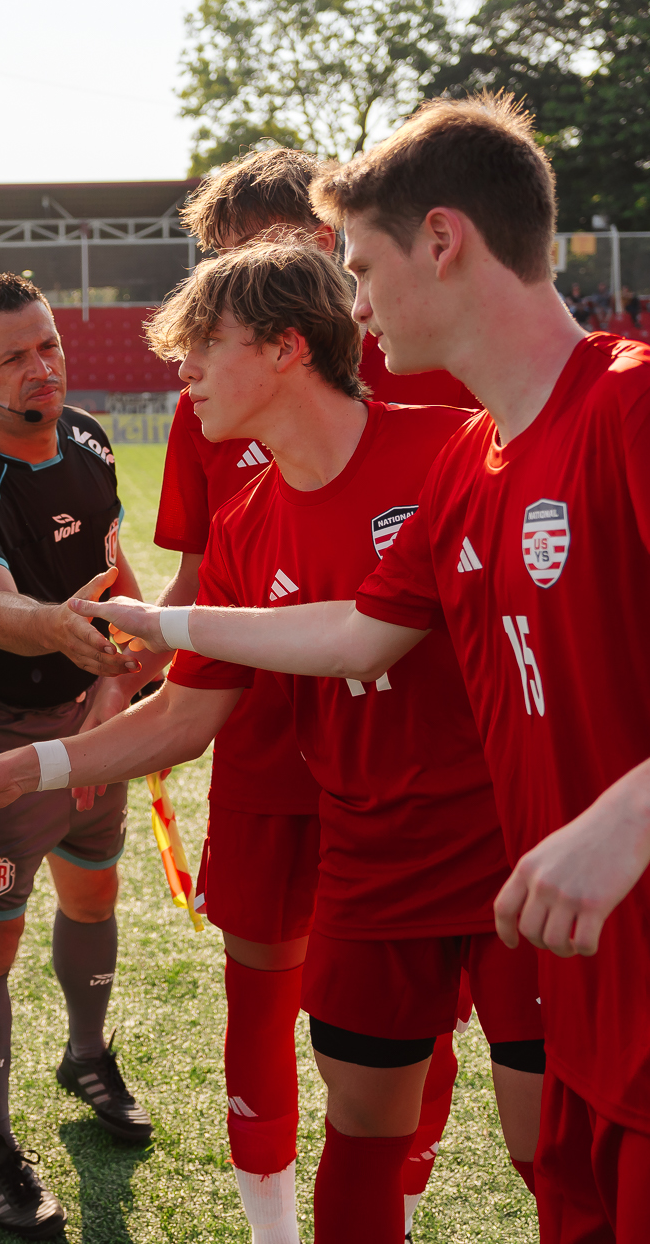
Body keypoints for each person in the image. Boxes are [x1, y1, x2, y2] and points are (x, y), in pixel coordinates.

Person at [64, 95, 650, 1240]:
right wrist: (159, 626)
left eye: (361, 267)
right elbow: (350, 637)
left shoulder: (641, 406)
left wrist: (625, 818)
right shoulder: (477, 460)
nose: (353, 307)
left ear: (441, 240)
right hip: (587, 986)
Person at [0, 238, 544, 1241]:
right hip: (369, 868)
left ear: (284, 349)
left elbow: (371, 635)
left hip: (516, 854)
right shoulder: (247, 522)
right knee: (361, 1130)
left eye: (201, 346)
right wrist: (22, 766)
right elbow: (182, 716)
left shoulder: (458, 451)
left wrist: (153, 625)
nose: (179, 373)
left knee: (545, 1148)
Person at [169, 146, 473, 1240]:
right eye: (226, 254)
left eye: (279, 243)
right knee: (259, 986)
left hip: (409, 769)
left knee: (412, 1006)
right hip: (261, 746)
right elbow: (206, 574)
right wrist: (132, 682)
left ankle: (389, 1192)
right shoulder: (208, 393)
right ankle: (269, 1224)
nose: (247, 271)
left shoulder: (420, 370)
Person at [0, 271, 160, 1240]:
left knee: (92, 888)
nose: (41, 368)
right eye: (13, 357)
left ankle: (86, 1053)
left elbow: (116, 572)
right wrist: (55, 631)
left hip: (90, 706)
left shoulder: (91, 436)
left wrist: (116, 685)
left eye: (47, 344)